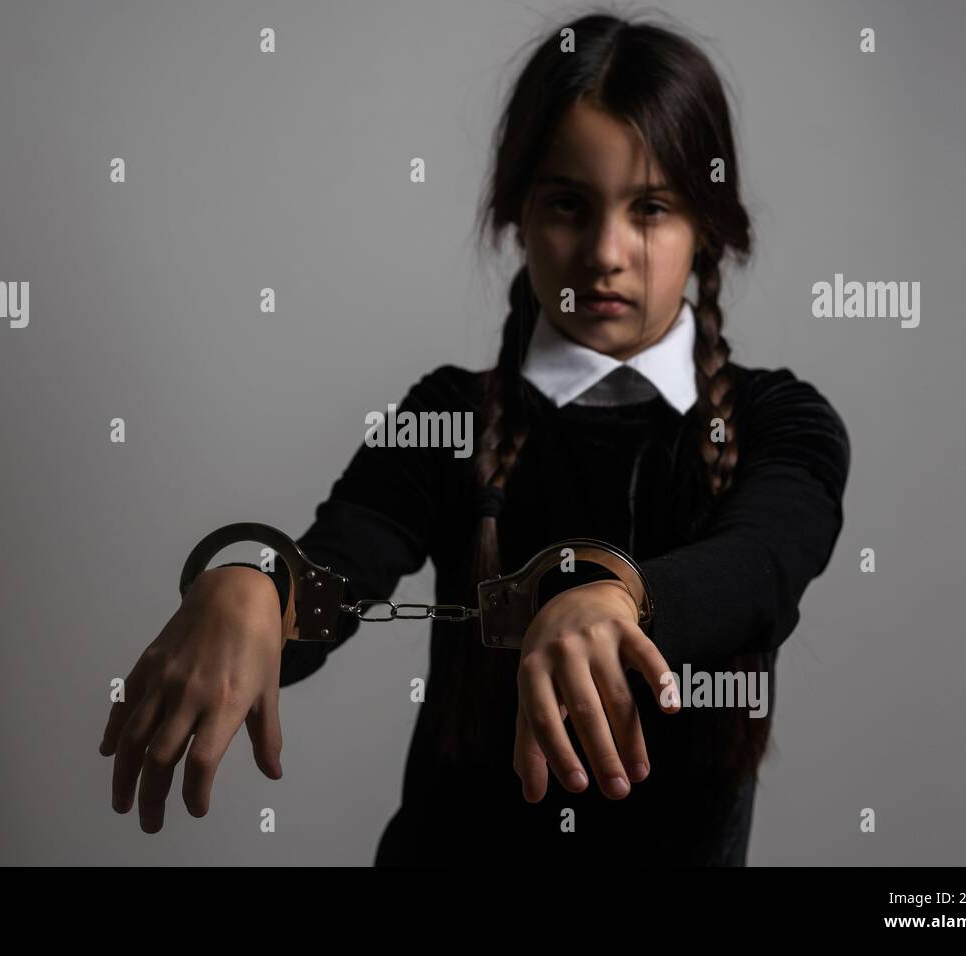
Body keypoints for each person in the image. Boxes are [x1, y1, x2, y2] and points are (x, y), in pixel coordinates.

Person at [98, 11, 851, 866]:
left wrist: (613, 596)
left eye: (650, 209)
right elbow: (340, 561)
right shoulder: (450, 418)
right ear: (516, 214)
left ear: (707, 225)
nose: (606, 252)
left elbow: (761, 568)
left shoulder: (778, 424)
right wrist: (251, 584)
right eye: (569, 203)